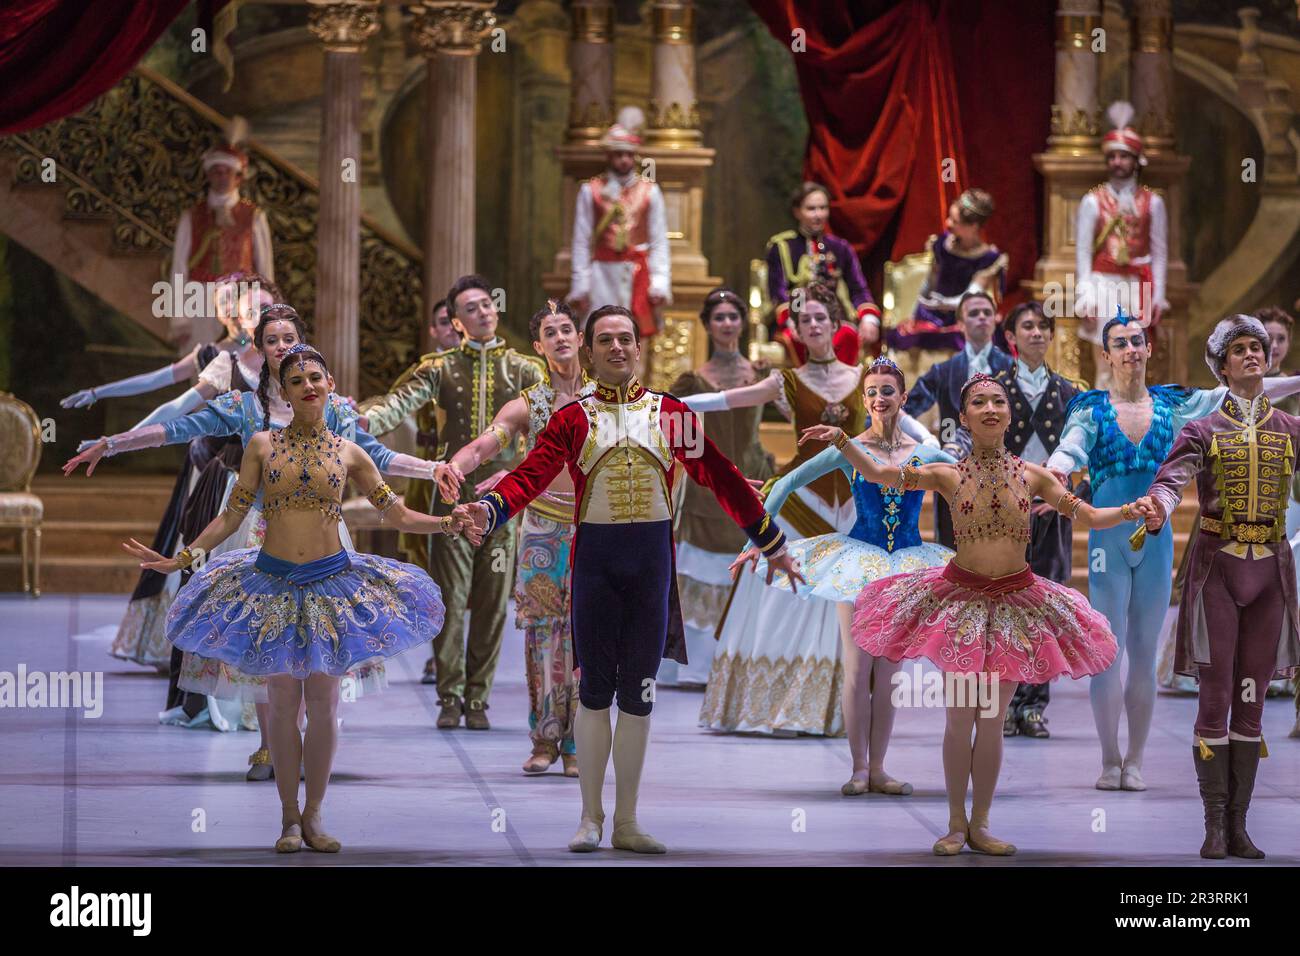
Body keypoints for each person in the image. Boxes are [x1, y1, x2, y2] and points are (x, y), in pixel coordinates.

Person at [456, 305, 802, 855]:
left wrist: (773, 543)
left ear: (638, 349)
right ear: (589, 352)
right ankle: (589, 817)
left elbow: (722, 477)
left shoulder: (672, 414)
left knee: (640, 694)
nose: (617, 348)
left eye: (626, 339)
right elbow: (530, 476)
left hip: (650, 569)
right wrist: (492, 511)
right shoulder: (571, 419)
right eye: (605, 340)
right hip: (595, 565)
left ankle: (628, 821)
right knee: (595, 691)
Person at [126, 344, 478, 853]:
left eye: (316, 377)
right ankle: (288, 816)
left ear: (330, 385)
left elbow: (395, 513)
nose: (308, 385)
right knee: (283, 701)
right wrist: (185, 557)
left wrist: (448, 522)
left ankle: (315, 813)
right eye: (297, 381)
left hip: (331, 584)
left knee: (325, 701)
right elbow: (231, 515)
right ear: (285, 394)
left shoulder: (350, 451)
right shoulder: (262, 446)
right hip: (270, 584)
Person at [64, 305, 439, 773]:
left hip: (324, 538)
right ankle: (269, 744)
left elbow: (377, 455)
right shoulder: (246, 408)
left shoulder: (334, 407)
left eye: (289, 337)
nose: (281, 346)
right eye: (272, 340)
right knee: (269, 645)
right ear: (259, 350)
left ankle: (300, 746)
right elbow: (180, 428)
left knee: (313, 644)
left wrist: (432, 468)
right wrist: (116, 442)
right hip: (258, 532)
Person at [809, 373, 1127, 855]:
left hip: (1018, 606)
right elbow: (879, 475)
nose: (991, 408)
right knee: (960, 720)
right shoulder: (947, 474)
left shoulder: (1035, 476)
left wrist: (1134, 509)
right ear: (965, 418)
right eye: (979, 401)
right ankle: (955, 823)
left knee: (993, 720)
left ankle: (981, 823)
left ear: (1009, 412)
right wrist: (842, 443)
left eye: (999, 400)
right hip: (963, 606)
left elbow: (1090, 517)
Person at [1046, 309, 1300, 791]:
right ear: (1107, 354)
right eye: (1120, 343)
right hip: (1108, 542)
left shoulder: (1177, 404)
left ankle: (1135, 760)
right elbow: (1071, 447)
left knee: (1142, 653)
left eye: (1137, 341)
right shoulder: (1091, 408)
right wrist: (1059, 468)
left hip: (1156, 541)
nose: (1131, 350)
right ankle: (1108, 759)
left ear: (1147, 348)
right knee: (1108, 651)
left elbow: (1246, 390)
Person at [682, 282, 935, 736]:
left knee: (846, 603)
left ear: (837, 324)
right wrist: (664, 404)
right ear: (795, 331)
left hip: (857, 506)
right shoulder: (787, 381)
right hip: (801, 504)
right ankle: (772, 707)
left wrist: (933, 446)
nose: (813, 325)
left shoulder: (864, 377)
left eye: (821, 318)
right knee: (786, 598)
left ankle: (837, 711)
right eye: (805, 320)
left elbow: (907, 420)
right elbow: (727, 401)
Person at [731, 356, 954, 794]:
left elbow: (972, 485)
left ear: (903, 399)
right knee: (857, 669)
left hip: (908, 564)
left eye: (887, 391)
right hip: (856, 564)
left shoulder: (928, 454)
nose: (878, 398)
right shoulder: (849, 449)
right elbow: (783, 484)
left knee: (890, 673)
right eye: (870, 392)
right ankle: (857, 767)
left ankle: (879, 769)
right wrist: (754, 543)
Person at [1135, 316, 1300, 859]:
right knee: (1216, 698)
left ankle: (1239, 826)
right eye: (1241, 349)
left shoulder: (1290, 429)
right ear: (1222, 365)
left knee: (1252, 701)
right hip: (1219, 576)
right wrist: (1157, 508)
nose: (1253, 355)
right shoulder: (1203, 429)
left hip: (1270, 579)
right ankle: (1212, 824)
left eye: (1258, 347)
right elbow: (1170, 479)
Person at [60, 273, 275, 673]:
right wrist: (115, 429)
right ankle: (201, 657)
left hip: (275, 480)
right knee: (198, 550)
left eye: (243, 303)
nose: (232, 311)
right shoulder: (219, 359)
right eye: (227, 304)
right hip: (217, 468)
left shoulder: (290, 363)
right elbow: (171, 401)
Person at [358, 275, 545, 730]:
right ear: (457, 322)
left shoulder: (525, 370)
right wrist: (358, 419)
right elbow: (397, 404)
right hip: (452, 495)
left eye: (487, 304)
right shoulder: (438, 367)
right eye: (471, 308)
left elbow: (548, 423)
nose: (482, 312)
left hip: (507, 496)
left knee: (493, 600)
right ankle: (449, 696)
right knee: (450, 595)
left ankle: (478, 699)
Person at [436, 300, 593, 776]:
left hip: (594, 526)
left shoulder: (605, 399)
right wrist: (452, 467)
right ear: (540, 346)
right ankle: (545, 738)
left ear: (581, 339)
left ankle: (579, 744)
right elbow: (489, 441)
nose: (562, 337)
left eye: (568, 329)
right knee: (543, 634)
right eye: (551, 332)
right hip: (543, 526)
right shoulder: (532, 402)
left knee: (588, 633)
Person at [951, 301, 1089, 739]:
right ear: (1010, 336)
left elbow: (1087, 456)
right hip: (998, 513)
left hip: (1049, 513)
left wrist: (1068, 494)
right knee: (996, 607)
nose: (1037, 334)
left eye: (1044, 327)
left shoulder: (1070, 392)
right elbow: (961, 447)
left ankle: (1034, 704)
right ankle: (1001, 704)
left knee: (1041, 607)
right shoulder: (993, 389)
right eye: (1027, 326)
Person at [662, 288, 774, 688]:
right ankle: (698, 668)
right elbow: (668, 423)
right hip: (708, 486)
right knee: (702, 575)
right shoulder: (693, 380)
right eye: (719, 318)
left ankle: (741, 665)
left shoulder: (763, 375)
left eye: (733, 316)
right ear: (707, 326)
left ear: (743, 322)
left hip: (756, 476)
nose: (727, 324)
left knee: (749, 572)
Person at [903, 291, 1016, 547]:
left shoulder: (1012, 369)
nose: (982, 318)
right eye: (974, 313)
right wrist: (924, 440)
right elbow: (904, 409)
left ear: (995, 320)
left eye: (987, 313)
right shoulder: (943, 371)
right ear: (961, 323)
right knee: (951, 552)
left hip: (1003, 475)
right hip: (954, 476)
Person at [1074, 101, 1167, 390]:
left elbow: (1159, 251)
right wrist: (1085, 293)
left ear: (1136, 160)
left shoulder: (1154, 202)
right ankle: (1106, 421)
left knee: (1136, 358)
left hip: (1139, 286)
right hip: (1103, 284)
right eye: (1112, 156)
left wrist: (1158, 295)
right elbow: (1083, 251)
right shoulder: (1092, 201)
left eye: (1123, 156)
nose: (1117, 162)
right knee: (1107, 360)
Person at [568, 106, 670, 360]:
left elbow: (658, 240)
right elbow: (581, 240)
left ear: (634, 156)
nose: (623, 160)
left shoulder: (650, 191)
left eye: (627, 154)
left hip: (638, 274)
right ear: (609, 156)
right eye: (617, 154)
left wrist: (659, 282)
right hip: (602, 273)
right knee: (600, 332)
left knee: (634, 337)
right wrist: (580, 283)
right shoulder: (591, 190)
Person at [169, 117, 274, 353]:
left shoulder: (254, 217)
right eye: (216, 172)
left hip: (241, 298)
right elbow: (178, 269)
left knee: (240, 369)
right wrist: (179, 318)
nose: (222, 177)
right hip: (199, 298)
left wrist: (266, 314)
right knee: (200, 367)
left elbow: (265, 270)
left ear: (238, 176)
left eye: (227, 172)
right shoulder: (192, 216)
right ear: (208, 175)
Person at [886, 188, 1007, 380]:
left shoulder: (988, 258)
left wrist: (945, 303)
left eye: (955, 221)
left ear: (974, 226)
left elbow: (971, 296)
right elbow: (929, 282)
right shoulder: (942, 245)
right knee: (908, 341)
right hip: (931, 315)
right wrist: (915, 313)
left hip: (964, 318)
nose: (948, 224)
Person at [765, 181, 881, 366]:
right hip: (796, 321)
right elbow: (778, 292)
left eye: (822, 208)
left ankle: (842, 393)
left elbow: (858, 288)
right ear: (797, 211)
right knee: (802, 339)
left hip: (834, 319)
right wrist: (793, 320)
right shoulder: (782, 247)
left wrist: (868, 318)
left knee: (849, 335)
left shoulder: (840, 247)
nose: (818, 215)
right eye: (811, 209)